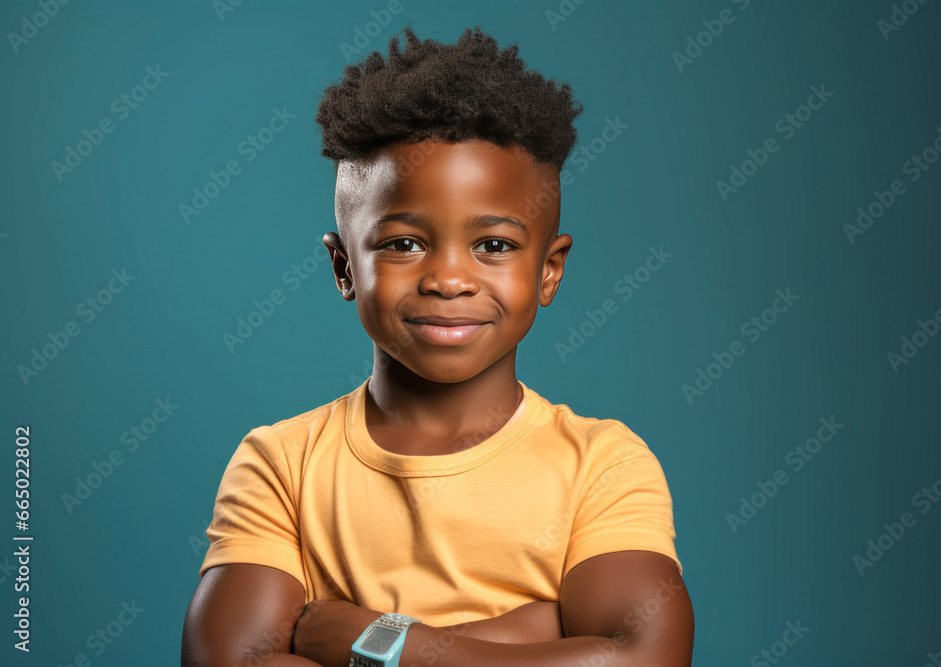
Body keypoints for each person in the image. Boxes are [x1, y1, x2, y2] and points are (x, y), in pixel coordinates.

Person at [181, 24, 693, 666]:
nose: (449, 279)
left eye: (494, 246)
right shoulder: (282, 464)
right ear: (344, 268)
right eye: (402, 243)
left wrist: (385, 641)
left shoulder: (603, 464)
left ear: (549, 270)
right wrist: (535, 634)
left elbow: (642, 659)